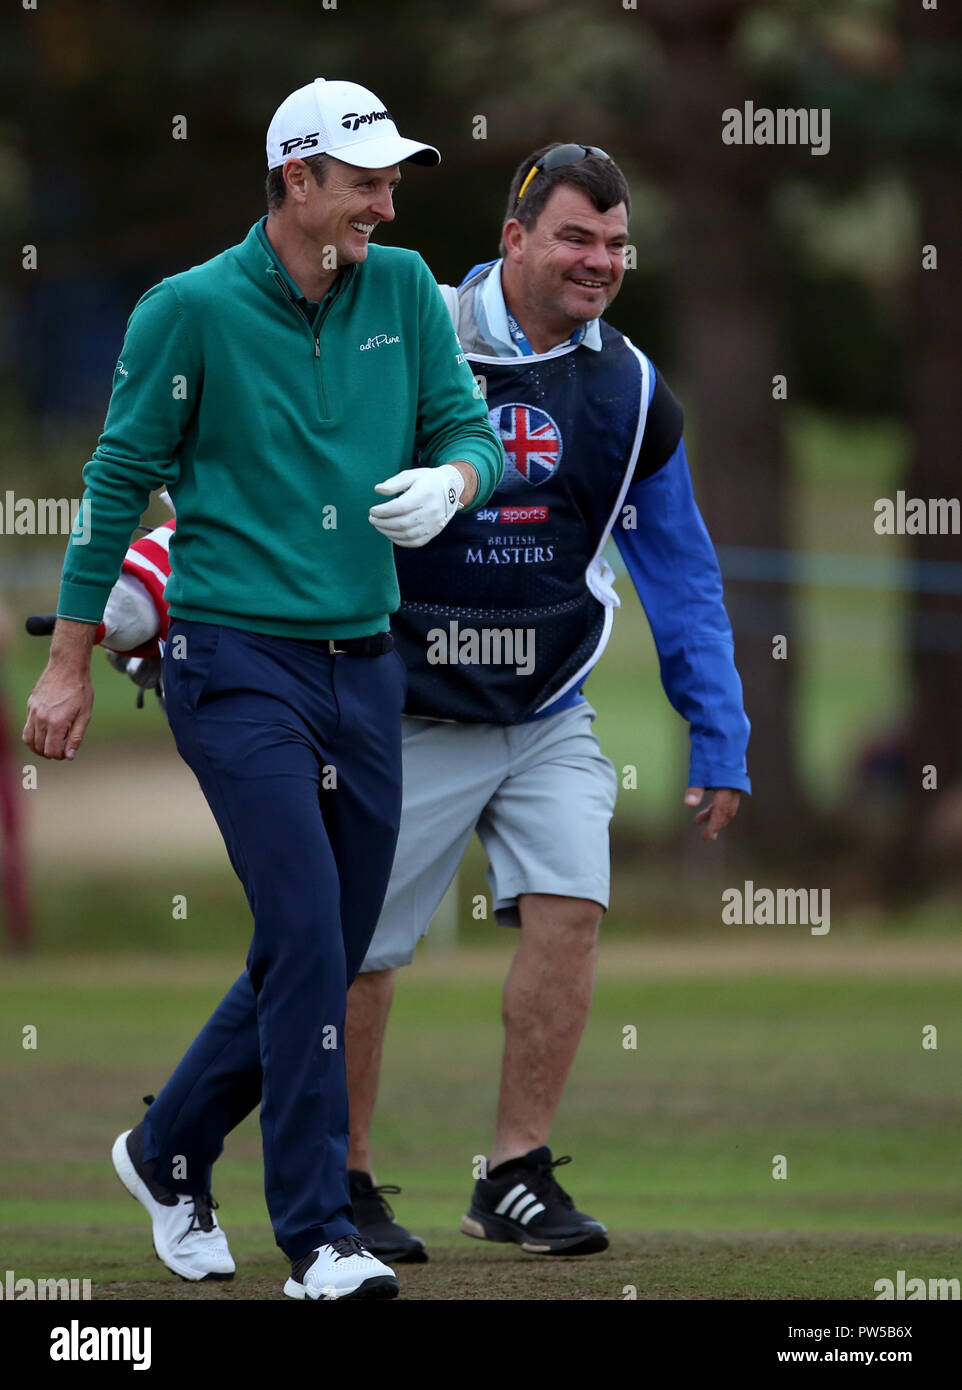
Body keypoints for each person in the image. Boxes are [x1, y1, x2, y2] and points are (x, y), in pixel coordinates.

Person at [21, 77, 504, 1302]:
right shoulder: (186, 310)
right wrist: (69, 661)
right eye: (365, 182)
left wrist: (452, 482)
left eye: (394, 181)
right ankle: (319, 1233)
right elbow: (118, 477)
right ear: (297, 180)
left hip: (365, 654)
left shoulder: (401, 290)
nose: (386, 204)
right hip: (232, 659)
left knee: (324, 947)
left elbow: (469, 428)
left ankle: (165, 1146)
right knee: (304, 933)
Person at [342, 143, 752, 1262]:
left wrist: (716, 725)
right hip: (406, 703)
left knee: (569, 910)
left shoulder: (626, 388)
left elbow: (677, 564)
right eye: (576, 236)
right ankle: (346, 1181)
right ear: (513, 237)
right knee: (362, 952)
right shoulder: (408, 329)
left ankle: (513, 1172)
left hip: (549, 709)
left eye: (617, 244)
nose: (600, 262)